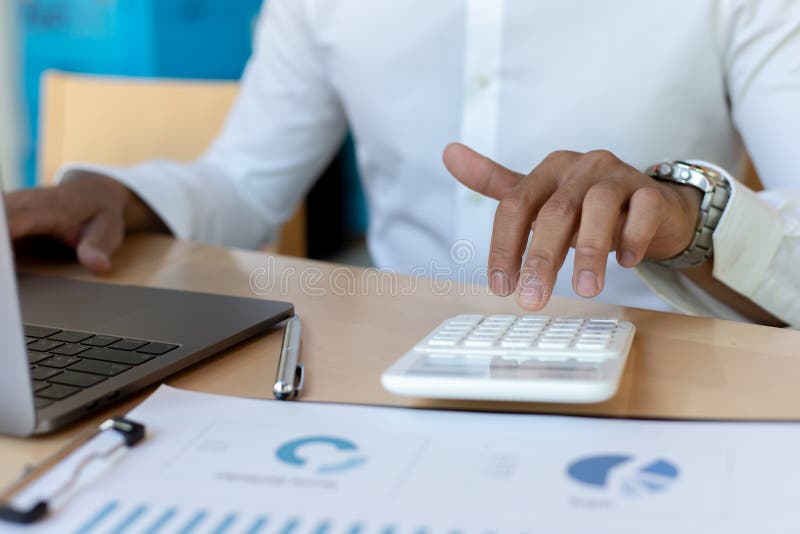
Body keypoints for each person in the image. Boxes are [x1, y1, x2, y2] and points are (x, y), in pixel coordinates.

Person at [6, 0, 800, 327]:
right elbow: (244, 183)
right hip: (387, 378)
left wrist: (691, 220)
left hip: (665, 374)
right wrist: (113, 190)